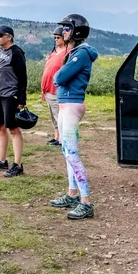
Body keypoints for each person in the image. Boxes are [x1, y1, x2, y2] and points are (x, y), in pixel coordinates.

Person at [49, 14, 99, 220]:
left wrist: (59, 73)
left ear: (76, 31)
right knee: (66, 151)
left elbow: (59, 77)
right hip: (65, 105)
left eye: (67, 28)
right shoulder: (75, 52)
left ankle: (86, 202)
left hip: (71, 105)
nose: (63, 32)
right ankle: (72, 194)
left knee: (71, 153)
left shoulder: (82, 53)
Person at [0, 25, 27, 177]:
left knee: (13, 129)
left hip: (10, 95)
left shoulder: (16, 53)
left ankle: (18, 165)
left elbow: (22, 77)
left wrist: (21, 98)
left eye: (0, 35)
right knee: (0, 127)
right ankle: (2, 160)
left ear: (9, 37)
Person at [40, 25, 68, 147]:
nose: (56, 40)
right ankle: (56, 136)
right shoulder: (54, 52)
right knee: (53, 116)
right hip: (47, 90)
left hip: (56, 90)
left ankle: (62, 139)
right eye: (55, 38)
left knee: (59, 115)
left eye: (58, 37)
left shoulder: (67, 52)